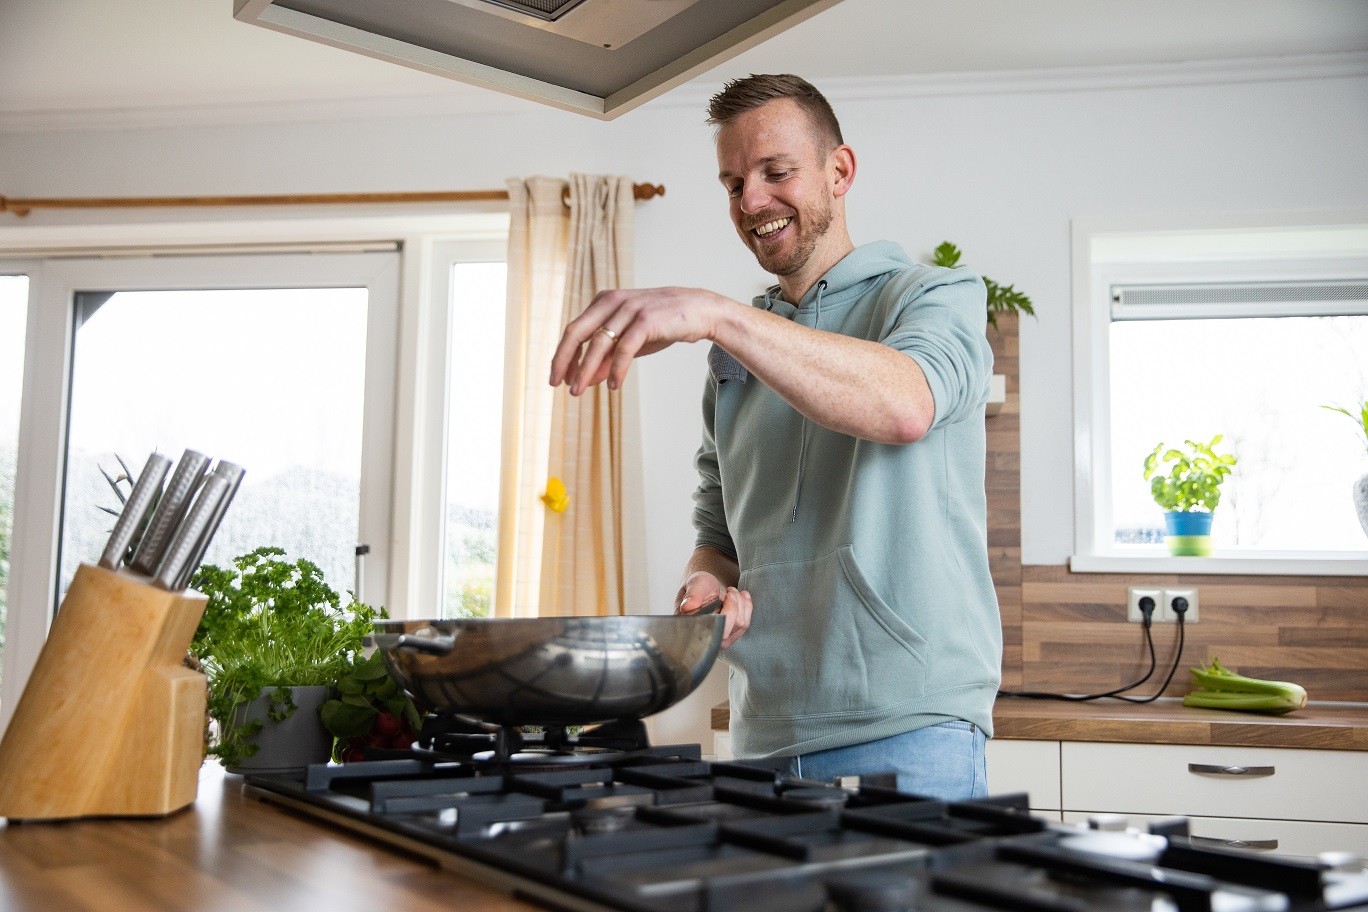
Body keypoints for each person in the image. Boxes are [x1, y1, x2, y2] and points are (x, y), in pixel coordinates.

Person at [549, 74, 1000, 801]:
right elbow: (719, 533)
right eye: (732, 183)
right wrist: (706, 588)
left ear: (840, 170)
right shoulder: (734, 356)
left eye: (775, 172)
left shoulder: (932, 295)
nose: (750, 201)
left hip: (909, 729)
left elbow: (905, 403)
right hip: (763, 738)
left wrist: (717, 314)